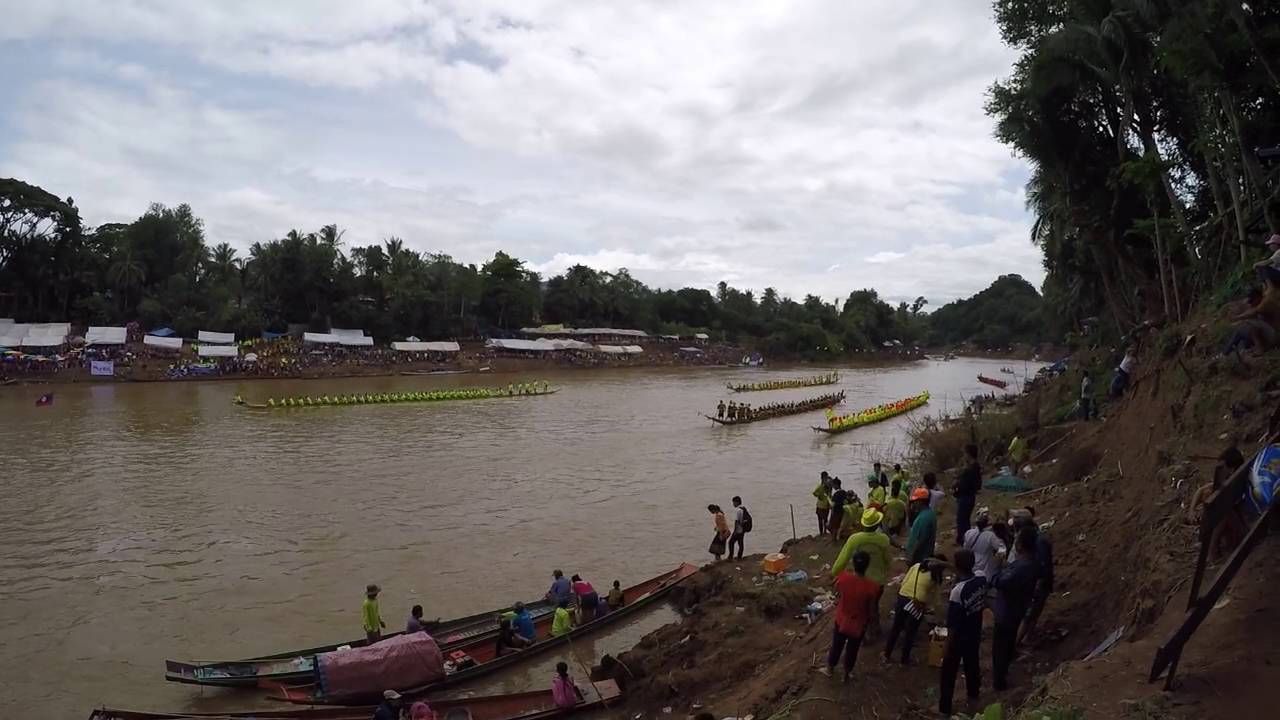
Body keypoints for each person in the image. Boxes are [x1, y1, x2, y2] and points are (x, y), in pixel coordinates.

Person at [990, 527, 1038, 690]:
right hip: (1016, 610)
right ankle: (1002, 673)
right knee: (1007, 643)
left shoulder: (1022, 567)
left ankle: (999, 680)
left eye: (1017, 539)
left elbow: (1000, 582)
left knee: (1000, 647)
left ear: (1021, 545)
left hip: (1007, 612)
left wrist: (996, 567)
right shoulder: (1030, 563)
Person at [939, 549, 986, 716]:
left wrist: (946, 645)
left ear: (957, 567)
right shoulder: (981, 577)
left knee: (948, 674)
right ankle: (973, 698)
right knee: (972, 666)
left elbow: (952, 625)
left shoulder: (957, 592)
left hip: (958, 637)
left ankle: (944, 709)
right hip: (974, 632)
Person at [820, 550, 879, 682]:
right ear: (867, 566)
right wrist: (870, 624)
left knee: (837, 645)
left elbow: (837, 592)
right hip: (859, 623)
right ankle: (846, 674)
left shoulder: (843, 578)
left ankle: (829, 669)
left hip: (841, 620)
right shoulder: (872, 587)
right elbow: (871, 609)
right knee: (853, 649)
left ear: (853, 564)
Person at [832, 508, 891, 632]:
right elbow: (888, 560)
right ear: (876, 524)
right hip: (878, 582)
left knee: (861, 608)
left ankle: (863, 632)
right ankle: (875, 628)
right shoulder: (883, 539)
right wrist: (883, 571)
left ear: (862, 523)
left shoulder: (855, 539)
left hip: (861, 582)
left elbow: (842, 560)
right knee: (873, 605)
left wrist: (834, 572)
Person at [882, 558, 942, 665]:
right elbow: (935, 599)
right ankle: (904, 659)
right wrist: (933, 610)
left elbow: (904, 581)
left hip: (903, 597)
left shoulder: (916, 566)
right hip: (917, 604)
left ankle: (887, 654)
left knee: (896, 627)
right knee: (911, 632)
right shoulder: (935, 577)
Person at [1018, 518, 1056, 646]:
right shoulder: (1040, 540)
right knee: (1034, 613)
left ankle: (1016, 643)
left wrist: (1037, 583)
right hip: (1042, 582)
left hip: (1039, 583)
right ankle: (1026, 637)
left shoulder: (1039, 542)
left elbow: (1042, 564)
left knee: (1029, 615)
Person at [962, 509, 1007, 578]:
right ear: (986, 522)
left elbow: (965, 549)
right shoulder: (990, 535)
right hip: (986, 568)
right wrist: (999, 560)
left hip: (971, 566)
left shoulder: (968, 533)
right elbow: (1002, 549)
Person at [953, 444, 981, 544]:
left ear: (969, 454)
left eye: (965, 453)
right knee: (963, 520)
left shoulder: (972, 469)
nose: (964, 456)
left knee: (962, 521)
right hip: (967, 497)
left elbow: (966, 485)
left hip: (966, 497)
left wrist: (957, 487)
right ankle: (965, 539)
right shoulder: (972, 467)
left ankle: (964, 541)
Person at [905, 488, 936, 566]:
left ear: (921, 502)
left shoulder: (924, 518)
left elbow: (920, 540)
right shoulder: (929, 513)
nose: (914, 503)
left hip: (919, 557)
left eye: (915, 501)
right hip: (924, 555)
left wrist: (911, 556)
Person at [828, 478, 847, 543]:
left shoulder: (836, 494)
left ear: (836, 485)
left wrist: (828, 499)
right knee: (838, 525)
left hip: (836, 511)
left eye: (833, 485)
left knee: (833, 526)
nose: (833, 486)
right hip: (842, 511)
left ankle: (834, 540)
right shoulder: (844, 492)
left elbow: (832, 505)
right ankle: (838, 537)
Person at [814, 472, 832, 536]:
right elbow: (814, 493)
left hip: (826, 506)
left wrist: (830, 504)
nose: (826, 479)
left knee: (825, 519)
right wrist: (820, 496)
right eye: (825, 478)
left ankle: (824, 532)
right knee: (820, 520)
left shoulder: (829, 487)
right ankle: (821, 533)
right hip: (820, 506)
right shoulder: (820, 486)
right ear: (822, 478)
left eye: (827, 478)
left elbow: (830, 496)